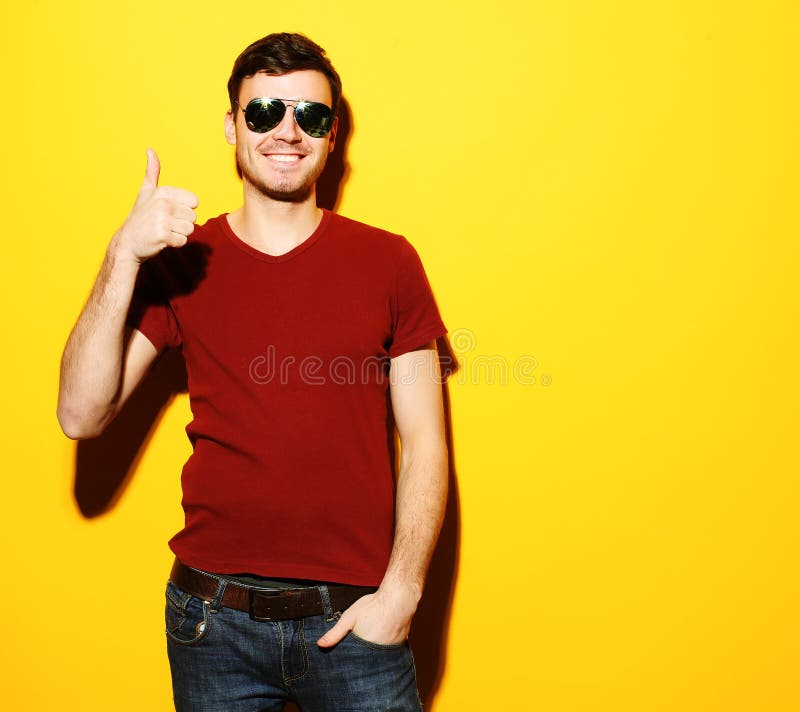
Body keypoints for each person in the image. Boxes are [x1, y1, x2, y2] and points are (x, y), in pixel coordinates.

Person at [57, 32, 449, 711]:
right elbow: (79, 414)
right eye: (264, 112)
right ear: (233, 126)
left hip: (355, 622)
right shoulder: (183, 259)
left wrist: (403, 594)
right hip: (212, 623)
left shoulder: (390, 262)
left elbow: (426, 443)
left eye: (311, 116)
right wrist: (124, 253)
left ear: (333, 137)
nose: (287, 132)